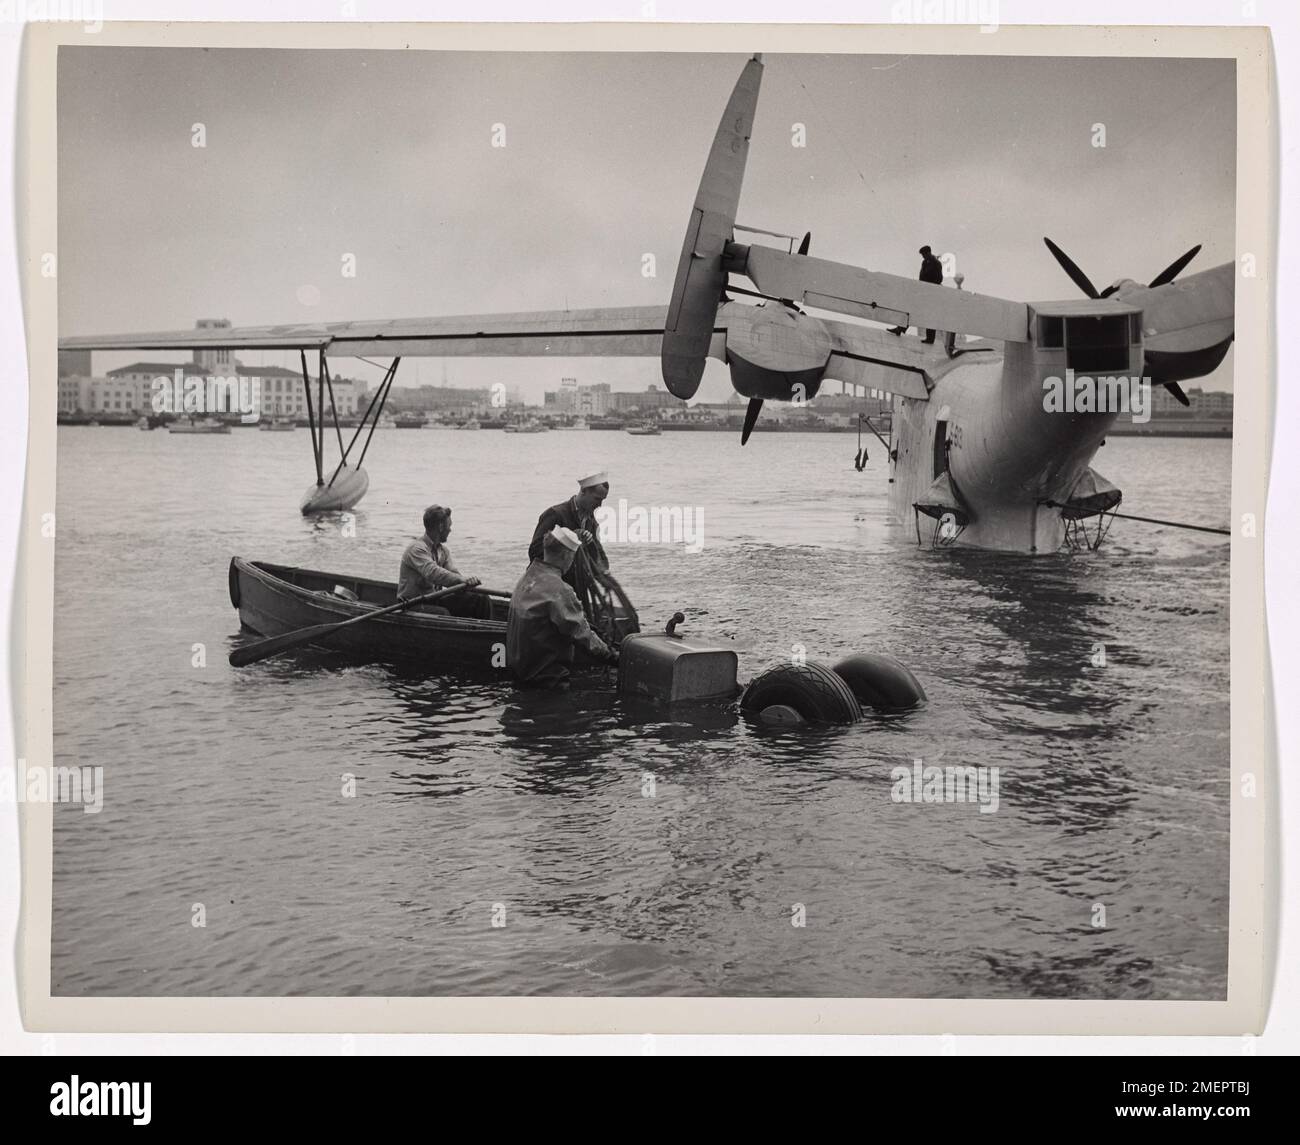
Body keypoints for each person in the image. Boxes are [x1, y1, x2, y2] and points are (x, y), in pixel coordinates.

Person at [507, 526, 619, 689]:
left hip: (520, 672)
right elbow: (583, 636)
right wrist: (614, 658)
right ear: (567, 556)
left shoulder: (527, 578)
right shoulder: (560, 590)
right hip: (547, 678)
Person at [528, 472, 611, 588]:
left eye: (603, 500)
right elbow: (534, 552)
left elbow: (597, 555)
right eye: (597, 499)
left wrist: (604, 575)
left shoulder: (591, 522)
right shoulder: (555, 514)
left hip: (575, 588)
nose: (600, 505)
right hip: (545, 586)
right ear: (583, 491)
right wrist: (570, 539)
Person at [397, 504, 481, 604]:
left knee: (481, 599)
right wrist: (461, 579)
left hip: (434, 601)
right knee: (443, 613)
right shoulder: (416, 549)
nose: (450, 530)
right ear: (441, 527)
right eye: (449, 526)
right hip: (412, 604)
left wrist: (466, 582)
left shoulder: (444, 551)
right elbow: (433, 573)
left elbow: (453, 574)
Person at [889, 245, 946, 343]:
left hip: (932, 293)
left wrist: (929, 284)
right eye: (922, 255)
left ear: (929, 252)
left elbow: (940, 279)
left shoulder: (936, 263)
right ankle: (901, 328)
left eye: (924, 254)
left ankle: (930, 338)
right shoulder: (924, 262)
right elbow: (921, 277)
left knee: (930, 315)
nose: (923, 256)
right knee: (912, 310)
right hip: (923, 292)